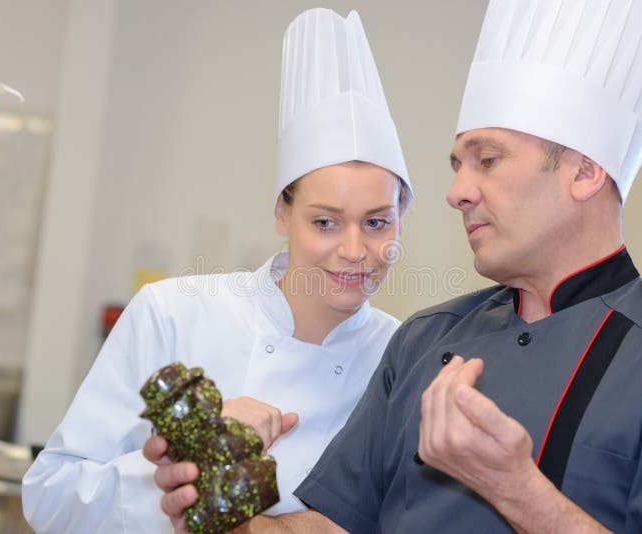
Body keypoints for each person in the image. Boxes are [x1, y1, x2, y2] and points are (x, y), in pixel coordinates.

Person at [151, 0, 642, 532]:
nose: (456, 192)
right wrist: (222, 516)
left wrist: (516, 488)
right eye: (457, 165)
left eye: (488, 160)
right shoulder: (425, 339)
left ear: (584, 172)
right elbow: (332, 526)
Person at [21, 8, 414, 533]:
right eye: (325, 222)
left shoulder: (402, 357)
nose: (354, 249)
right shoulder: (172, 313)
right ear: (282, 214)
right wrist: (193, 461)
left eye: (376, 222)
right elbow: (50, 497)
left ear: (401, 219)